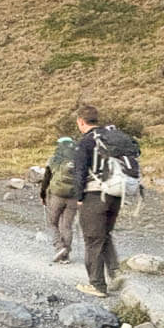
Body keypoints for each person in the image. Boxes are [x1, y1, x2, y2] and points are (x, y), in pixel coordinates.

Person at [70, 105, 121, 297]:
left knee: (92, 239)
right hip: (115, 193)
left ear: (81, 122)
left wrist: (79, 198)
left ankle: (97, 285)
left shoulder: (85, 142)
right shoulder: (110, 137)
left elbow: (80, 172)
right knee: (104, 235)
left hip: (95, 195)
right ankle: (117, 276)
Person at [38, 137, 78, 263]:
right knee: (67, 226)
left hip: (56, 196)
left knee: (52, 223)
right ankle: (65, 256)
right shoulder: (80, 159)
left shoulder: (54, 159)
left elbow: (46, 179)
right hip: (73, 197)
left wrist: (43, 195)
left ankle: (59, 247)